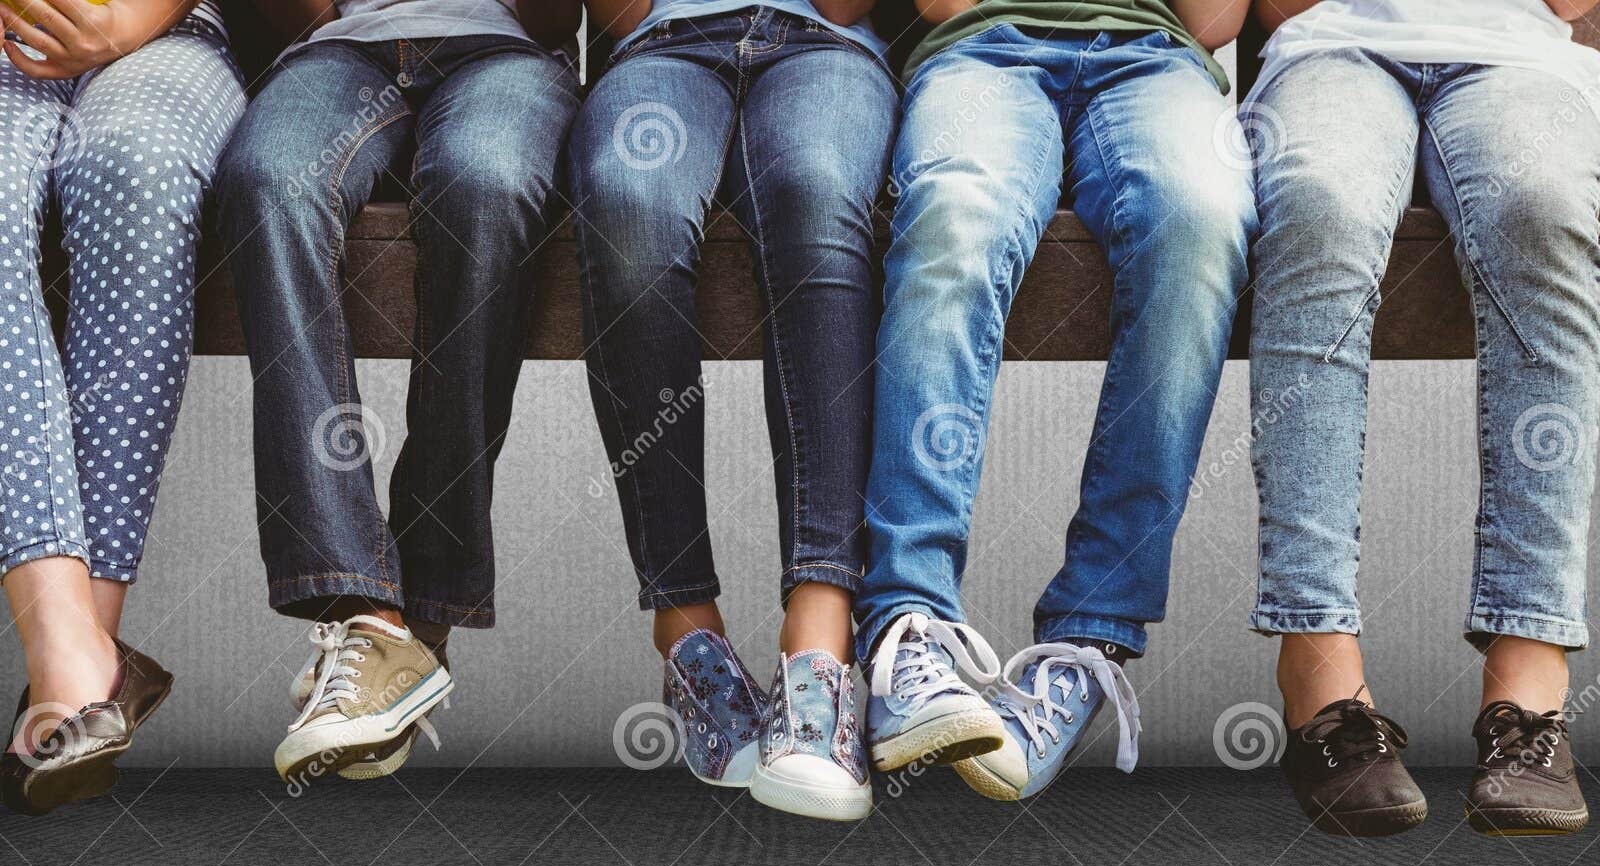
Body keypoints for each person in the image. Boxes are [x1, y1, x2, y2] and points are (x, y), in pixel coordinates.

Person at [854, 0, 1256, 801]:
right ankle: (909, 626)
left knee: (1199, 221)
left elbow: (1213, 20)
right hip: (982, 47)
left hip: (1156, 59)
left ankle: (1091, 635)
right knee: (955, 216)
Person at [1247, 0, 1599, 836]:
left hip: (1517, 55)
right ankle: (1318, 666)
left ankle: (1530, 681)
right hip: (1331, 44)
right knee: (1319, 208)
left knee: (1541, 208)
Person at [215, 0, 582, 786]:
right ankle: (364, 609)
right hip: (345, 48)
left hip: (506, 50)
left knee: (486, 184)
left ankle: (424, 610)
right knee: (269, 181)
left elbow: (557, 21)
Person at [572, 2, 896, 821]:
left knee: (817, 196)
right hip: (661, 44)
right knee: (629, 208)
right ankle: (688, 632)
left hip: (825, 40)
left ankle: (820, 640)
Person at [0, 0, 244, 815]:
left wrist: (134, 18)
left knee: (134, 166)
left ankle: (80, 658)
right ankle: (74, 656)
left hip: (167, 32)